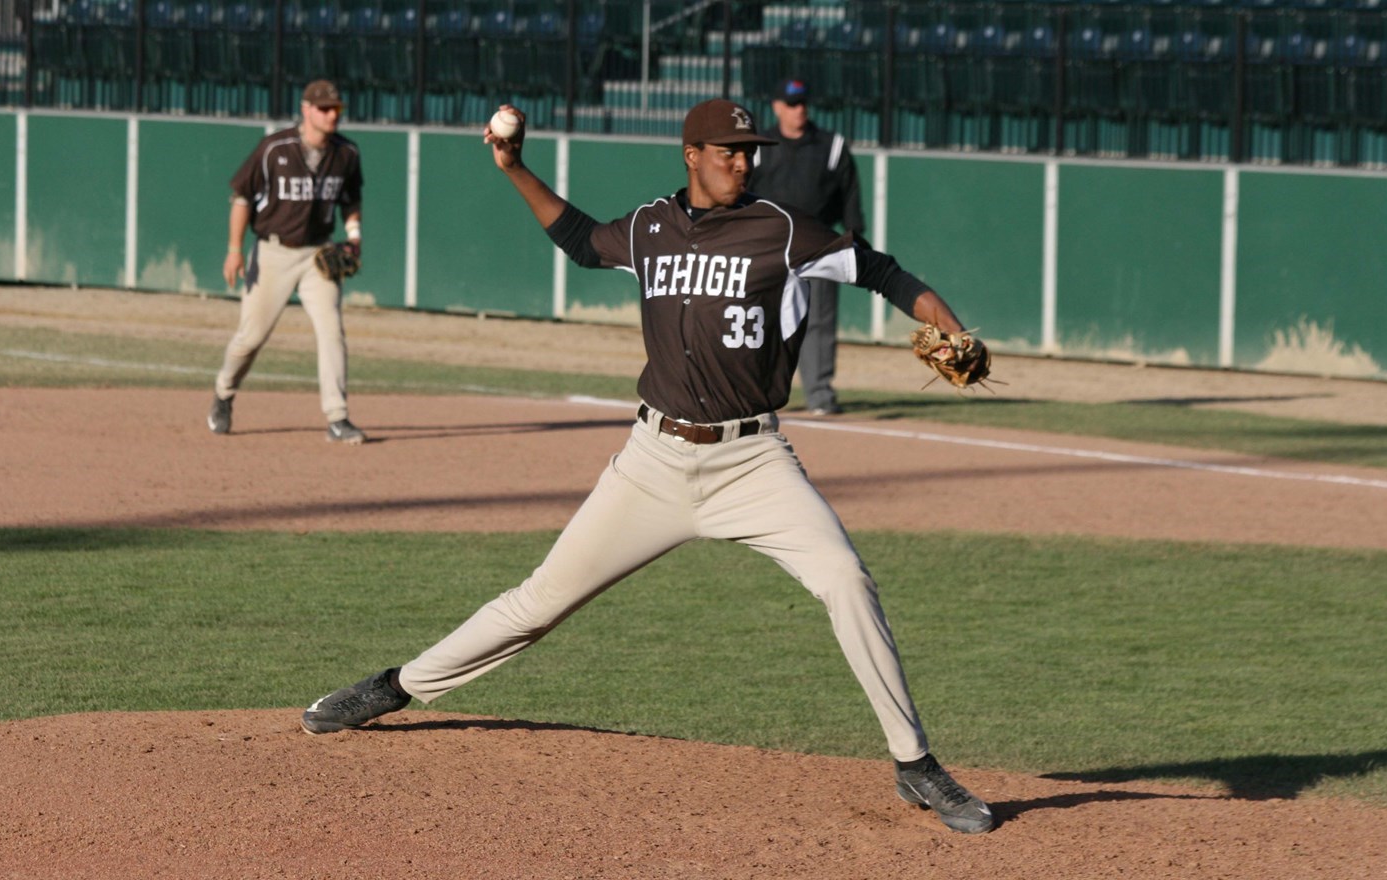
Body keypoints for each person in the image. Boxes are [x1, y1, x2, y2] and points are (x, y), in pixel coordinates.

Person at [301, 99, 997, 835]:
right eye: (728, 149)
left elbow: (881, 271)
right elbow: (577, 240)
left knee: (846, 579)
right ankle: (395, 685)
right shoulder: (648, 228)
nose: (743, 161)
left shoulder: (783, 230)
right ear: (691, 153)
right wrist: (513, 167)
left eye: (748, 150)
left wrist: (947, 327)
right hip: (653, 461)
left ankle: (915, 765)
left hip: (753, 461)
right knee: (539, 603)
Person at [208, 78, 368, 444]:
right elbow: (241, 197)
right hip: (273, 252)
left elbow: (351, 200)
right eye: (325, 108)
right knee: (250, 338)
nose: (332, 115)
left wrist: (355, 238)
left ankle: (338, 418)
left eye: (336, 109)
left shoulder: (347, 154)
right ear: (306, 109)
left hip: (318, 254)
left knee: (332, 333)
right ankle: (224, 392)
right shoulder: (274, 148)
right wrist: (234, 250)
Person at [747, 78, 866, 417]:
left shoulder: (832, 146)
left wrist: (855, 238)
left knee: (818, 322)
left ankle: (819, 394)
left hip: (819, 246)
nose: (798, 109)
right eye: (791, 103)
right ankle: (757, 392)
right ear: (776, 106)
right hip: (768, 246)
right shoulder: (760, 147)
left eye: (802, 103)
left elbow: (850, 198)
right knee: (761, 320)